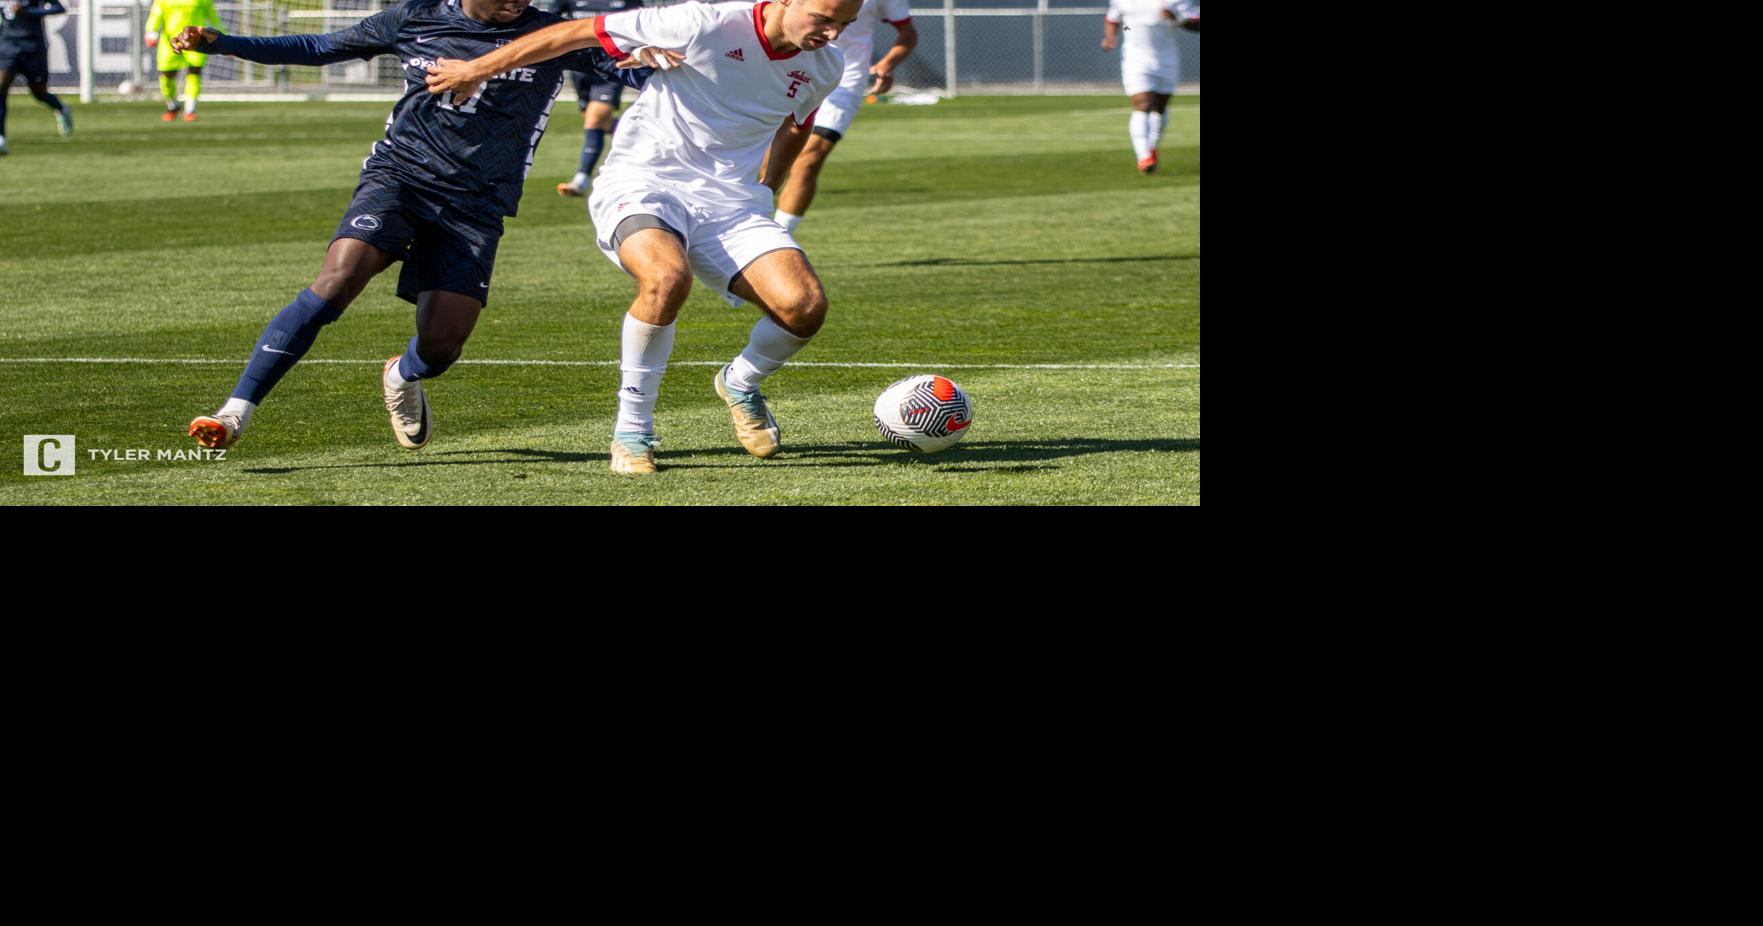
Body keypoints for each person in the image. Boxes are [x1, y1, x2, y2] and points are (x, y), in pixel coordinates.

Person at [175, 0, 663, 452]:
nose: (516, 2)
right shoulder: (416, 17)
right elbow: (318, 46)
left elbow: (636, 70)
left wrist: (666, 59)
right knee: (337, 281)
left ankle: (402, 375)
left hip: (476, 204)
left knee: (441, 346)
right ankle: (235, 411)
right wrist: (222, 43)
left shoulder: (550, 33)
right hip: (398, 178)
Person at [425, 0, 860, 475]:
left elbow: (798, 122)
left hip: (732, 203)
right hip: (643, 182)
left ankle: (740, 381)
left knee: (804, 308)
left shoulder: (827, 64)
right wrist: (476, 69)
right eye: (824, 18)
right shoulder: (704, 21)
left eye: (845, 24)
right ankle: (632, 431)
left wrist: (766, 187)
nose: (834, 34)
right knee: (667, 277)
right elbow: (578, 32)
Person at [773, 0, 912, 233]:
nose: (834, 32)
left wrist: (887, 63)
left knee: (808, 160)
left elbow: (908, 33)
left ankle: (778, 237)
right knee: (769, 161)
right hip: (788, 73)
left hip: (845, 82)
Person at [548, 0, 639, 197]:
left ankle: (581, 179)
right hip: (580, 65)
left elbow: (638, 23)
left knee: (595, 118)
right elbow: (550, 22)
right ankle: (643, 132)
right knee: (595, 121)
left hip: (613, 65)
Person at [1101, 0, 1198, 174]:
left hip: (1166, 61)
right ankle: (1143, 156)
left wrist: (1179, 19)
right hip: (1135, 60)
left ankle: (1151, 147)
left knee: (1159, 108)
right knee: (1143, 104)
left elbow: (1196, 23)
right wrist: (1110, 37)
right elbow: (1113, 20)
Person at [0, 0, 73, 155]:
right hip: (8, 47)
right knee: (1, 88)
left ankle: (60, 108)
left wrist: (29, 12)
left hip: (33, 47)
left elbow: (59, 8)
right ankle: (1, 138)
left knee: (39, 93)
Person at [146, 0, 221, 121]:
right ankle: (173, 105)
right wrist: (151, 32)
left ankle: (190, 109)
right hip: (170, 43)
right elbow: (156, 14)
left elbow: (213, 17)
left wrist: (224, 39)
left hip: (196, 43)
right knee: (167, 75)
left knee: (194, 73)